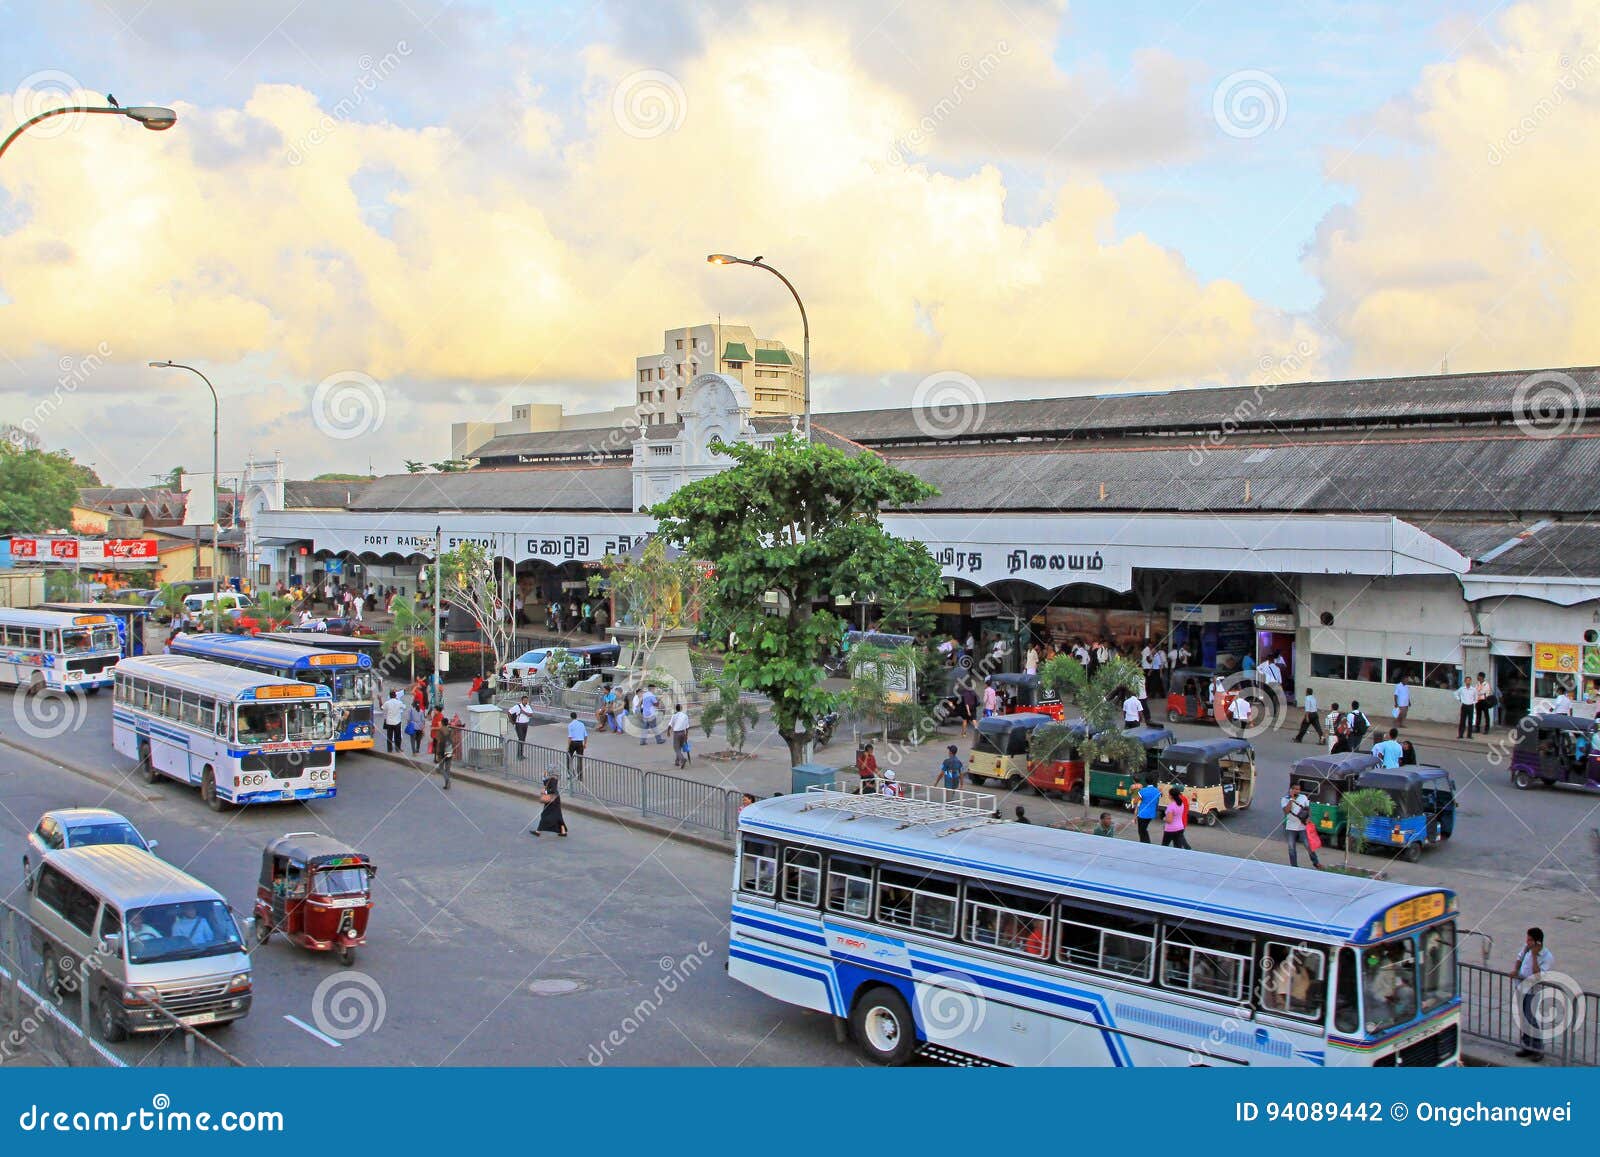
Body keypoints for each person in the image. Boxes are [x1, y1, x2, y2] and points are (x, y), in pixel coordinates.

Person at [1512, 927, 1554, 1060]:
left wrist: (1535, 956)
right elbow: (1519, 957)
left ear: (1538, 943)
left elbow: (1537, 975)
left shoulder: (1547, 957)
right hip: (1520, 987)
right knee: (1523, 1018)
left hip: (1532, 991)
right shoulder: (1527, 948)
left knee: (1531, 1019)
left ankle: (1537, 1048)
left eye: (1530, 940)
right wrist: (1516, 970)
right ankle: (1527, 1046)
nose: (1527, 942)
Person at [1281, 782, 1321, 869]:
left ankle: (1316, 862)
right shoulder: (1285, 799)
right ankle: (1294, 866)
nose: (1297, 791)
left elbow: (1308, 808)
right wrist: (1291, 799)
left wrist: (1309, 817)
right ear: (1291, 789)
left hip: (1302, 826)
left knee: (1308, 845)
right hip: (1291, 827)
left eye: (1298, 789)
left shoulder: (1303, 797)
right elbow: (1286, 811)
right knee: (1291, 847)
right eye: (1295, 789)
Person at [1134, 779, 1161, 844]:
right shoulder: (1157, 791)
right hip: (1151, 814)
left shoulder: (1143, 790)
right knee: (1144, 829)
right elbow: (1158, 800)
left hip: (1142, 814)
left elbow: (1135, 801)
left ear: (1146, 782)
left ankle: (1145, 843)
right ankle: (1145, 843)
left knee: (1141, 831)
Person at [434, 713, 456, 788]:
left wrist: (437, 753)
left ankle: (447, 780)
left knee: (441, 767)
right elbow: (453, 741)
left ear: (442, 723)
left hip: (442, 750)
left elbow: (438, 741)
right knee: (448, 768)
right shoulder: (450, 730)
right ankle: (447, 783)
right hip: (449, 749)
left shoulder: (440, 730)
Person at [566, 711, 588, 779]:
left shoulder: (570, 725)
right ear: (576, 717)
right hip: (580, 743)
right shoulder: (582, 724)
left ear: (571, 717)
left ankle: (571, 774)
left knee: (569, 758)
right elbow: (586, 735)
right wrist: (585, 743)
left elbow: (570, 737)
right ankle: (580, 776)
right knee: (580, 759)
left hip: (573, 743)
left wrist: (568, 746)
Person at [669, 703, 691, 768]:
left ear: (676, 708)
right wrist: (686, 735)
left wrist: (668, 731)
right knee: (680, 747)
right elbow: (687, 727)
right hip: (683, 733)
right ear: (681, 708)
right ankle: (677, 761)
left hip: (676, 733)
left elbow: (670, 724)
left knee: (676, 748)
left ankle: (682, 759)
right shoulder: (685, 716)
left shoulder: (674, 715)